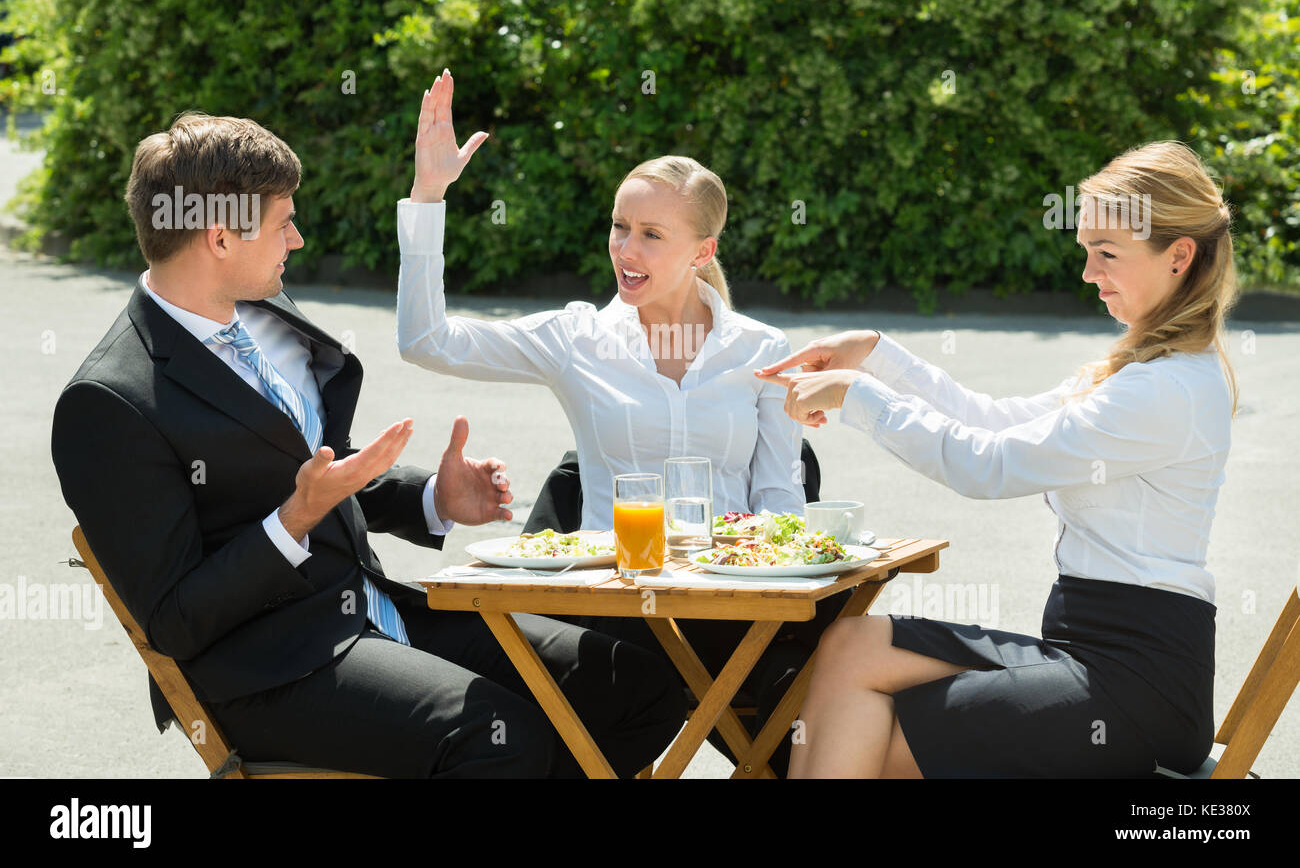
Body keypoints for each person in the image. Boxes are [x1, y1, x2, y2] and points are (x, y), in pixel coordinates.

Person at [50, 111, 685, 778]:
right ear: (218, 238)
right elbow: (176, 620)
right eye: (281, 222)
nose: (296, 238)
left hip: (375, 607)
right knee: (500, 738)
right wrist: (292, 518)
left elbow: (325, 467)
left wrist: (432, 497)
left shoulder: (262, 311)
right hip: (269, 669)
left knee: (635, 688)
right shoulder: (110, 402)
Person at [757, 141, 1237, 778]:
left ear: (1180, 255)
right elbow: (993, 421)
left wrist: (857, 395)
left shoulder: (1165, 389)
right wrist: (876, 354)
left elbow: (988, 465)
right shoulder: (1142, 372)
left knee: (860, 737)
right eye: (1087, 251)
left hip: (1135, 686)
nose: (1089, 273)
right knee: (850, 643)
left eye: (1108, 254)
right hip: (1087, 652)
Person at [394, 69, 826, 774]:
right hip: (615, 611)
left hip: (735, 608)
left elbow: (781, 497)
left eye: (651, 234)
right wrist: (429, 196)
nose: (625, 249)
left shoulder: (762, 352)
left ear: (702, 251)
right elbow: (426, 340)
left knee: (812, 707)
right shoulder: (576, 338)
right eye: (620, 226)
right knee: (605, 707)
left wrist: (773, 571)